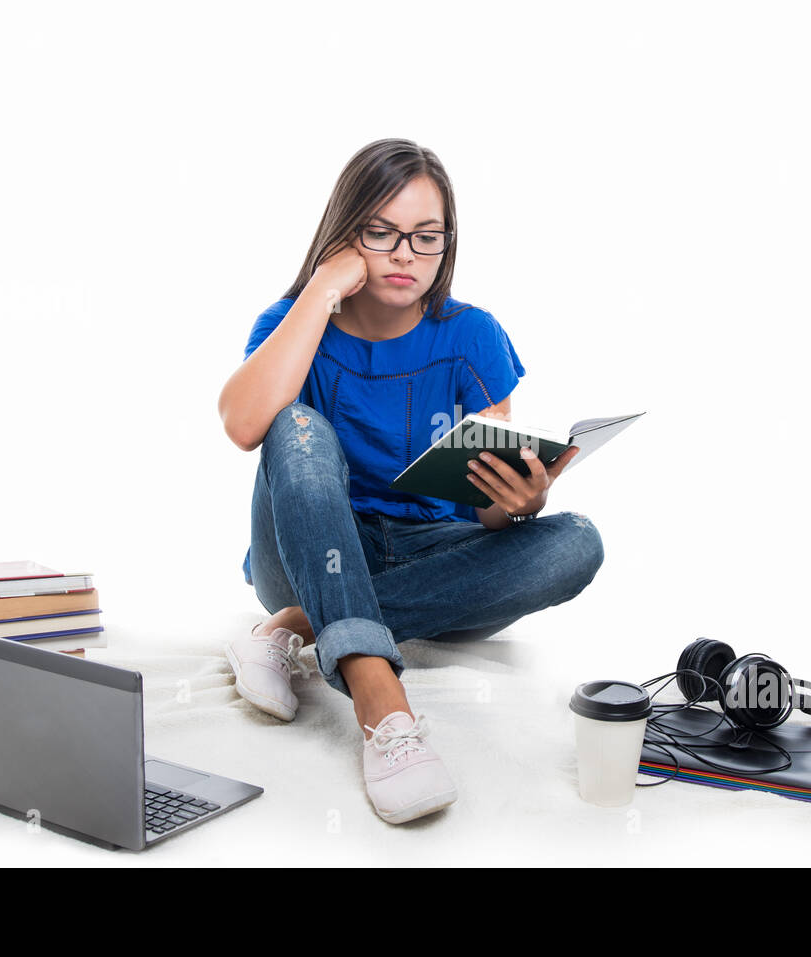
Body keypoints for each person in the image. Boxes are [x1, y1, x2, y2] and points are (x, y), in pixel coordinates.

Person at [216, 138, 604, 824]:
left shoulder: (472, 335)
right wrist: (323, 288)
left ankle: (296, 627)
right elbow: (245, 424)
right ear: (345, 231)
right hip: (313, 554)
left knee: (576, 540)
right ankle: (380, 700)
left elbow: (484, 511)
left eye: (426, 237)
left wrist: (516, 504)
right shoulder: (293, 323)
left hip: (431, 550)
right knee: (294, 427)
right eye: (382, 233)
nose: (404, 255)